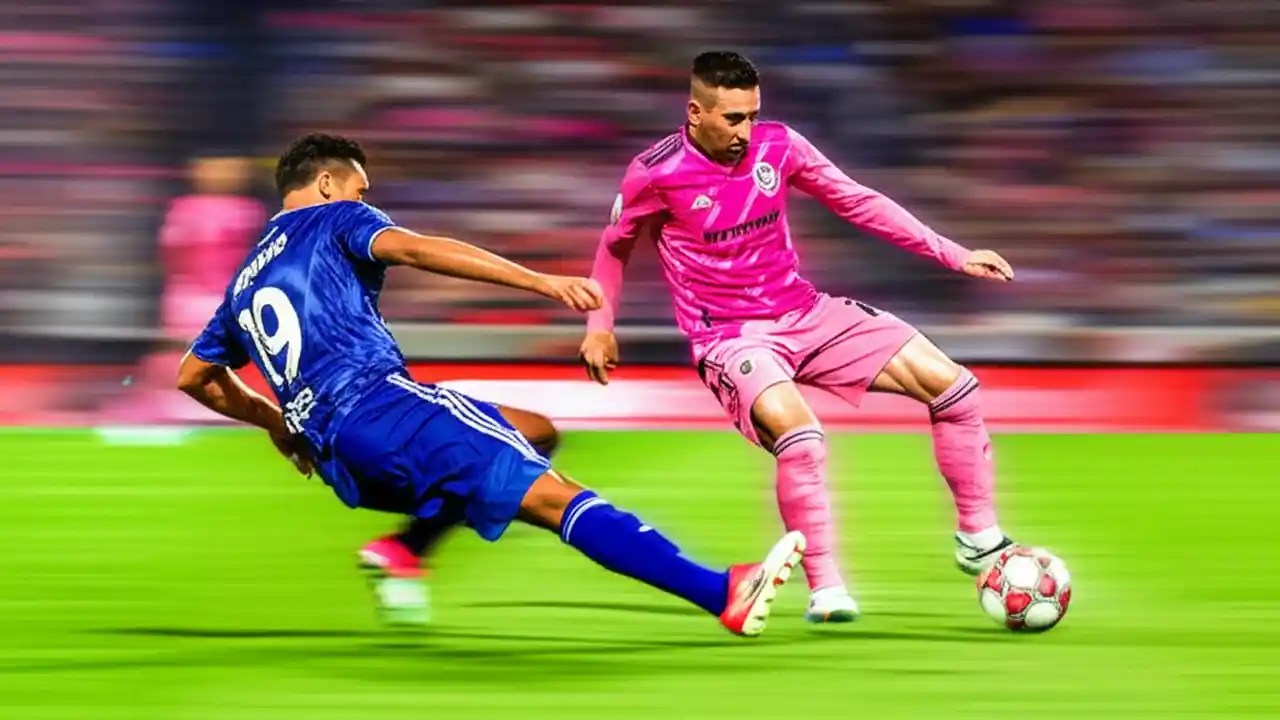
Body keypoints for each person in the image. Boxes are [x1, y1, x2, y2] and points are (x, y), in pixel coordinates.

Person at [176, 133, 804, 637]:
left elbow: (195, 376)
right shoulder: (336, 217)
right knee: (558, 498)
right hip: (385, 407)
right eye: (362, 188)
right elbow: (418, 250)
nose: (370, 198)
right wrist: (544, 283)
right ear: (326, 183)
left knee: (535, 433)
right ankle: (721, 592)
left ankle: (406, 553)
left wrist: (280, 423)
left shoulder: (243, 284)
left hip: (342, 457)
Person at [578, 51, 1019, 623]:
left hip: (804, 311)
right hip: (730, 338)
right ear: (695, 113)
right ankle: (827, 588)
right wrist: (599, 326)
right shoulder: (655, 173)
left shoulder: (779, 146)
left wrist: (953, 254)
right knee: (803, 438)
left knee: (955, 388)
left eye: (752, 116)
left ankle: (977, 536)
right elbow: (614, 247)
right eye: (733, 118)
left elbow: (857, 200)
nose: (745, 131)